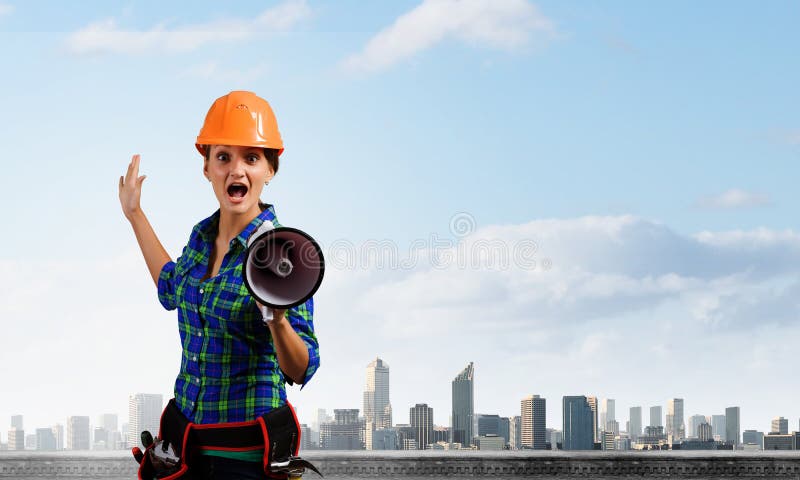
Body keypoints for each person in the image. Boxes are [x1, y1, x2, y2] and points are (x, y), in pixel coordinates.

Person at [119, 91, 320, 479]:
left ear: (270, 170)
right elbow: (171, 287)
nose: (237, 170)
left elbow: (301, 367)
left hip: (245, 460)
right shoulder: (201, 236)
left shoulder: (284, 253)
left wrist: (277, 321)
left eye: (252, 158)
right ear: (207, 167)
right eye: (223, 157)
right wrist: (135, 215)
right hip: (185, 450)